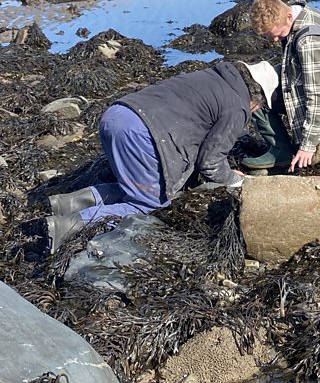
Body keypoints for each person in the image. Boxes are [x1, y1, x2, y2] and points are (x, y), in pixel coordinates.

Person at [44, 59, 278, 254]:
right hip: (141, 133)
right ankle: (66, 227)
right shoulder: (238, 106)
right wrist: (235, 181)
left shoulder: (215, 76)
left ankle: (67, 203)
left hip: (118, 114)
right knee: (149, 205)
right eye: (260, 107)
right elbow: (211, 162)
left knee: (135, 188)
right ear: (256, 99)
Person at [243, 0, 320, 172]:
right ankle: (280, 148)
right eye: (270, 36)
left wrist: (308, 145)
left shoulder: (310, 42)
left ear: (289, 17)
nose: (275, 40)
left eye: (277, 34)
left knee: (254, 96)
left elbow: (319, 96)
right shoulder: (298, 12)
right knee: (252, 83)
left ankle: (281, 151)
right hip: (302, 79)